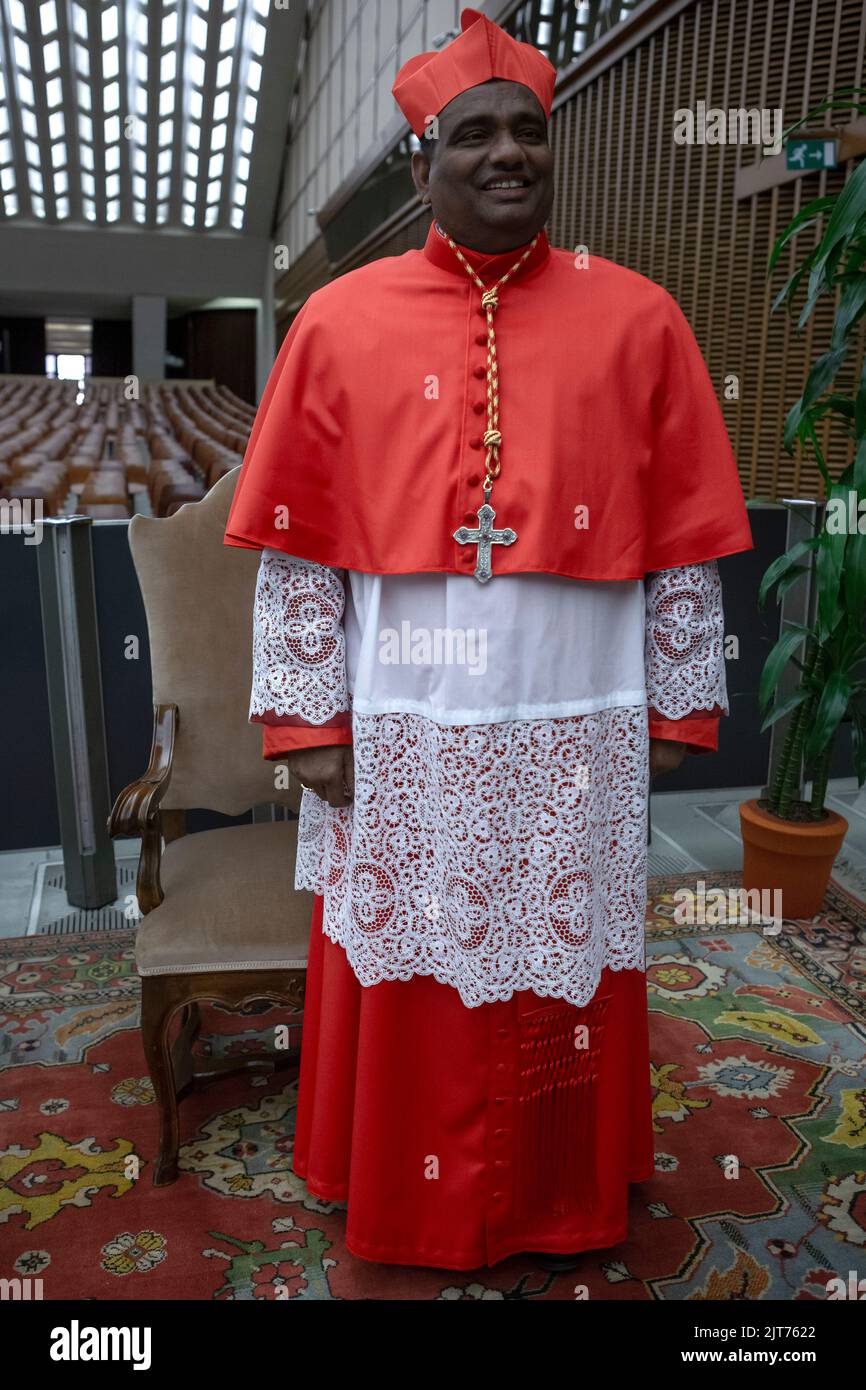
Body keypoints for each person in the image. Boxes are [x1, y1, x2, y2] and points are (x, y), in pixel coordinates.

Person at [224, 7, 752, 1271]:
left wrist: (679, 704)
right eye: (475, 134)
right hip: (402, 717)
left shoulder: (639, 319)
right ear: (423, 164)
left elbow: (681, 537)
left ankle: (557, 1201)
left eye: (529, 130)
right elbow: (298, 547)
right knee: (409, 974)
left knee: (562, 968)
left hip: (576, 713)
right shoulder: (339, 324)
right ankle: (411, 1199)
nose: (507, 153)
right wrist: (305, 722)